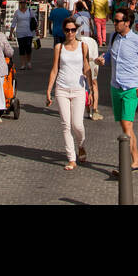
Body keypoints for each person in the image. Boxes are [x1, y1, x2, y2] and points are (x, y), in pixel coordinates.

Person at [95, 6, 138, 174]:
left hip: (131, 88)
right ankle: (134, 160)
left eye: (117, 21)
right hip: (115, 86)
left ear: (127, 23)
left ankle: (132, 163)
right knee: (125, 127)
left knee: (126, 124)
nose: (113, 23)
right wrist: (103, 59)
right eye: (114, 20)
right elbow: (109, 54)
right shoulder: (114, 37)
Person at [46, 17, 95, 169]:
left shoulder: (83, 46)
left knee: (77, 125)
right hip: (62, 88)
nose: (70, 33)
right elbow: (55, 69)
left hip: (79, 89)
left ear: (77, 30)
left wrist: (91, 88)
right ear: (63, 31)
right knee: (66, 125)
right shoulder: (59, 47)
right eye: (67, 30)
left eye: (73, 30)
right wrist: (49, 90)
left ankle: (81, 144)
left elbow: (86, 67)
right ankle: (71, 158)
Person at [12, 0, 36, 70]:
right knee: (21, 48)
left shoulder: (30, 11)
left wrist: (36, 30)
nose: (22, 4)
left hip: (29, 32)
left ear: (26, 3)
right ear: (19, 3)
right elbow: (14, 23)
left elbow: (34, 21)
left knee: (28, 48)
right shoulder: (17, 12)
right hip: (20, 32)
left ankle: (28, 62)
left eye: (24, 2)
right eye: (21, 2)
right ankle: (23, 64)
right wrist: (11, 33)